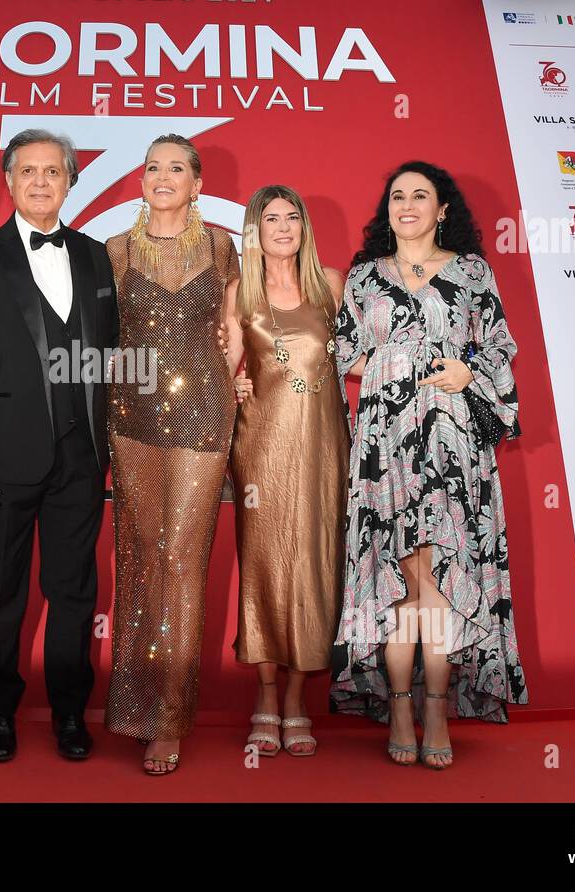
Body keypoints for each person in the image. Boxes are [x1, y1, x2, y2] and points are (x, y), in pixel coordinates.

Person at [329, 160, 527, 769]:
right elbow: (339, 352)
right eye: (397, 196)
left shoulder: (472, 273)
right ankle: (397, 706)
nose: (408, 204)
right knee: (396, 583)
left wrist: (471, 372)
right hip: (385, 448)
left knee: (439, 582)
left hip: (453, 442)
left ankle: (435, 705)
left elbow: (498, 345)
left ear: (443, 211)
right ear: (386, 210)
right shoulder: (363, 278)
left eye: (421, 196)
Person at [0, 129, 118, 763]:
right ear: (9, 182)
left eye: (53, 171)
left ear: (70, 181)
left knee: (74, 591)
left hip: (81, 459)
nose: (41, 182)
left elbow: (110, 359)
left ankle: (71, 712)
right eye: (28, 172)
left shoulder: (98, 258)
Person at [104, 134, 239, 775]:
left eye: (176, 168)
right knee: (137, 558)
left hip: (202, 417)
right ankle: (133, 707)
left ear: (197, 183)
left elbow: (237, 327)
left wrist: (236, 377)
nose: (163, 176)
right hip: (130, 419)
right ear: (141, 181)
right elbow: (99, 340)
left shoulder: (220, 245)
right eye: (153, 167)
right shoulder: (115, 250)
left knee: (182, 562)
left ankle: (169, 720)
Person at [223, 185, 349, 758]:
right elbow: (220, 373)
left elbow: (364, 356)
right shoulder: (238, 292)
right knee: (266, 566)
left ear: (304, 225)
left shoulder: (334, 285)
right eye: (270, 218)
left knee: (315, 565)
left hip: (324, 447)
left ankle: (298, 698)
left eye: (291, 217)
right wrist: (233, 385)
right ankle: (266, 697)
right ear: (254, 228)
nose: (282, 227)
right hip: (260, 451)